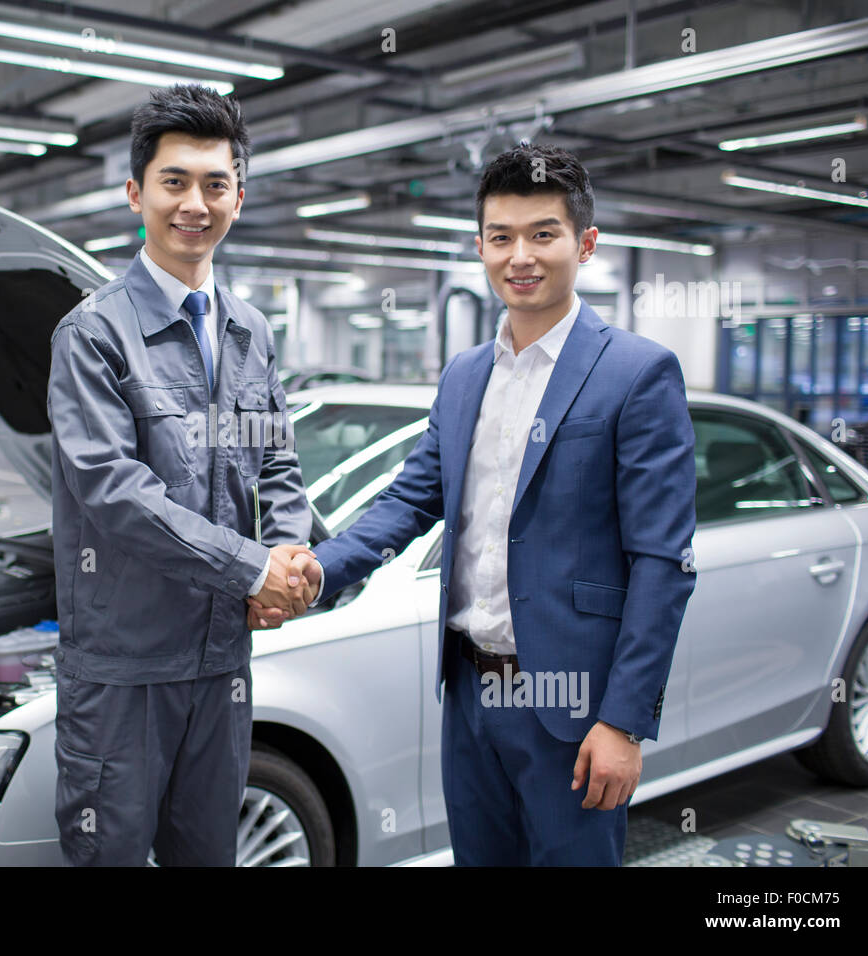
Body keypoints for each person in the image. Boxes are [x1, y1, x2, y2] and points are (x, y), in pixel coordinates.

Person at [249, 144, 697, 865]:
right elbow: (411, 498)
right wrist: (318, 570)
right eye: (501, 236)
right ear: (480, 246)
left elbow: (661, 562)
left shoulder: (637, 373)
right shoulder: (464, 375)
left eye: (543, 234)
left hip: (573, 705)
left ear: (585, 243)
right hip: (468, 693)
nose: (520, 256)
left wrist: (624, 720)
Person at [47, 84, 316, 866]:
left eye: (214, 184)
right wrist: (251, 568)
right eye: (174, 182)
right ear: (137, 193)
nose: (195, 204)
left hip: (222, 664)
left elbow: (277, 459)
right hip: (123, 674)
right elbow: (114, 492)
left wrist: (291, 555)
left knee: (209, 855)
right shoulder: (93, 334)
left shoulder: (251, 331)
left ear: (239, 197)